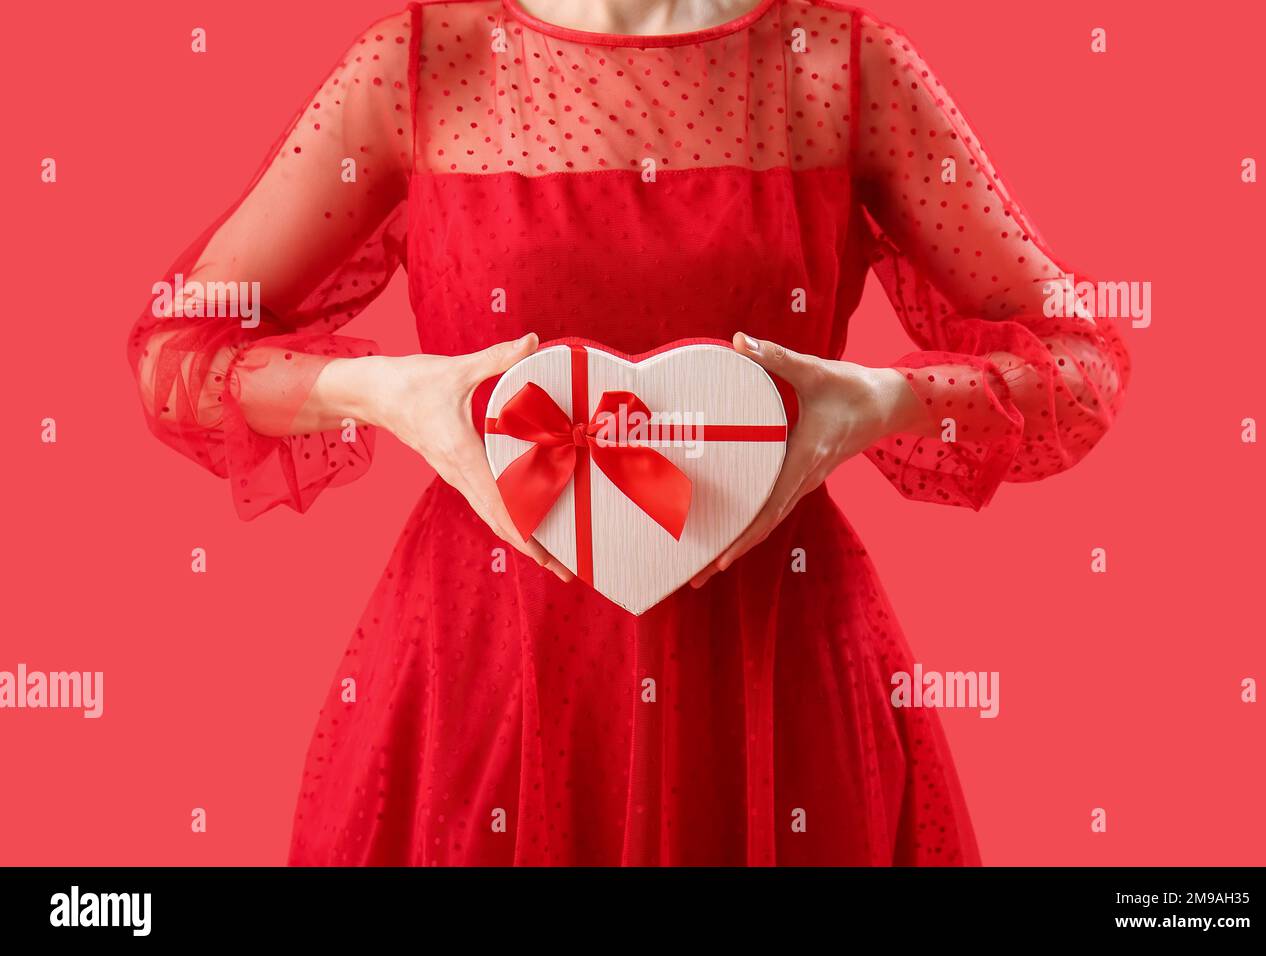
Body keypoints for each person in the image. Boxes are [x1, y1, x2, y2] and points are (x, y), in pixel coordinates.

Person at [127, 0, 1130, 865]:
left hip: (776, 670)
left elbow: (1079, 367)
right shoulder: (419, 67)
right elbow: (180, 349)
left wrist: (871, 407)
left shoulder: (843, 69)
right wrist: (392, 393)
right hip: (482, 670)